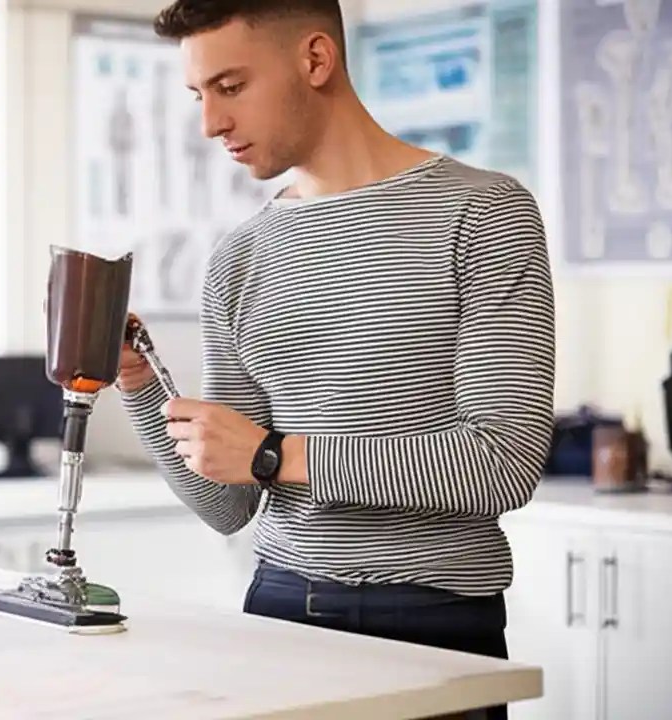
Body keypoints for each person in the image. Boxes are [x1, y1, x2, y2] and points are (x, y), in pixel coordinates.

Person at [117, 3, 554, 718]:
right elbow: (227, 505)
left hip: (436, 625)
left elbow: (501, 461)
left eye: (231, 87)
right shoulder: (240, 258)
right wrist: (139, 386)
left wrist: (273, 456)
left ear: (315, 60)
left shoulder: (483, 213)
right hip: (280, 611)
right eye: (200, 97)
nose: (211, 125)